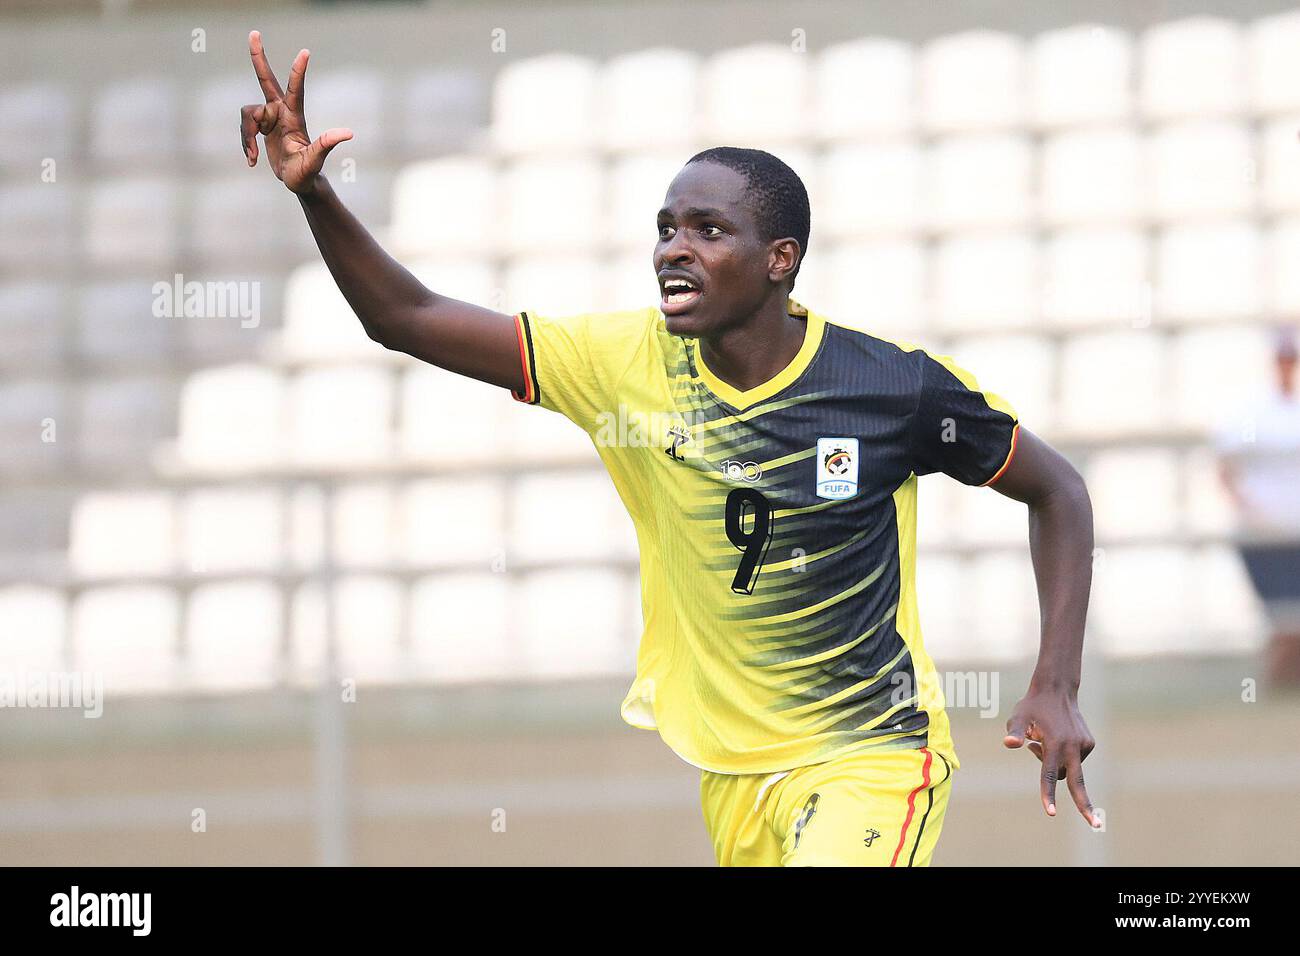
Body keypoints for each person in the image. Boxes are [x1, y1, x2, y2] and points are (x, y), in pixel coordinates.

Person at [239, 31, 1100, 865]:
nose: (674, 250)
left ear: (779, 259)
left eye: (708, 230)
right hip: (732, 776)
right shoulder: (624, 365)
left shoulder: (892, 386)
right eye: (665, 228)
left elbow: (1056, 489)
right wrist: (315, 194)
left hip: (872, 756)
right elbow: (408, 319)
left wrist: (1055, 679)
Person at [1218, 328, 1300, 684]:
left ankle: (1278, 685)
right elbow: (1225, 469)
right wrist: (1249, 510)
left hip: (1292, 534)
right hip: (1263, 535)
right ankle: (1275, 684)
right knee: (1283, 616)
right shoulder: (1250, 410)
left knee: (1290, 616)